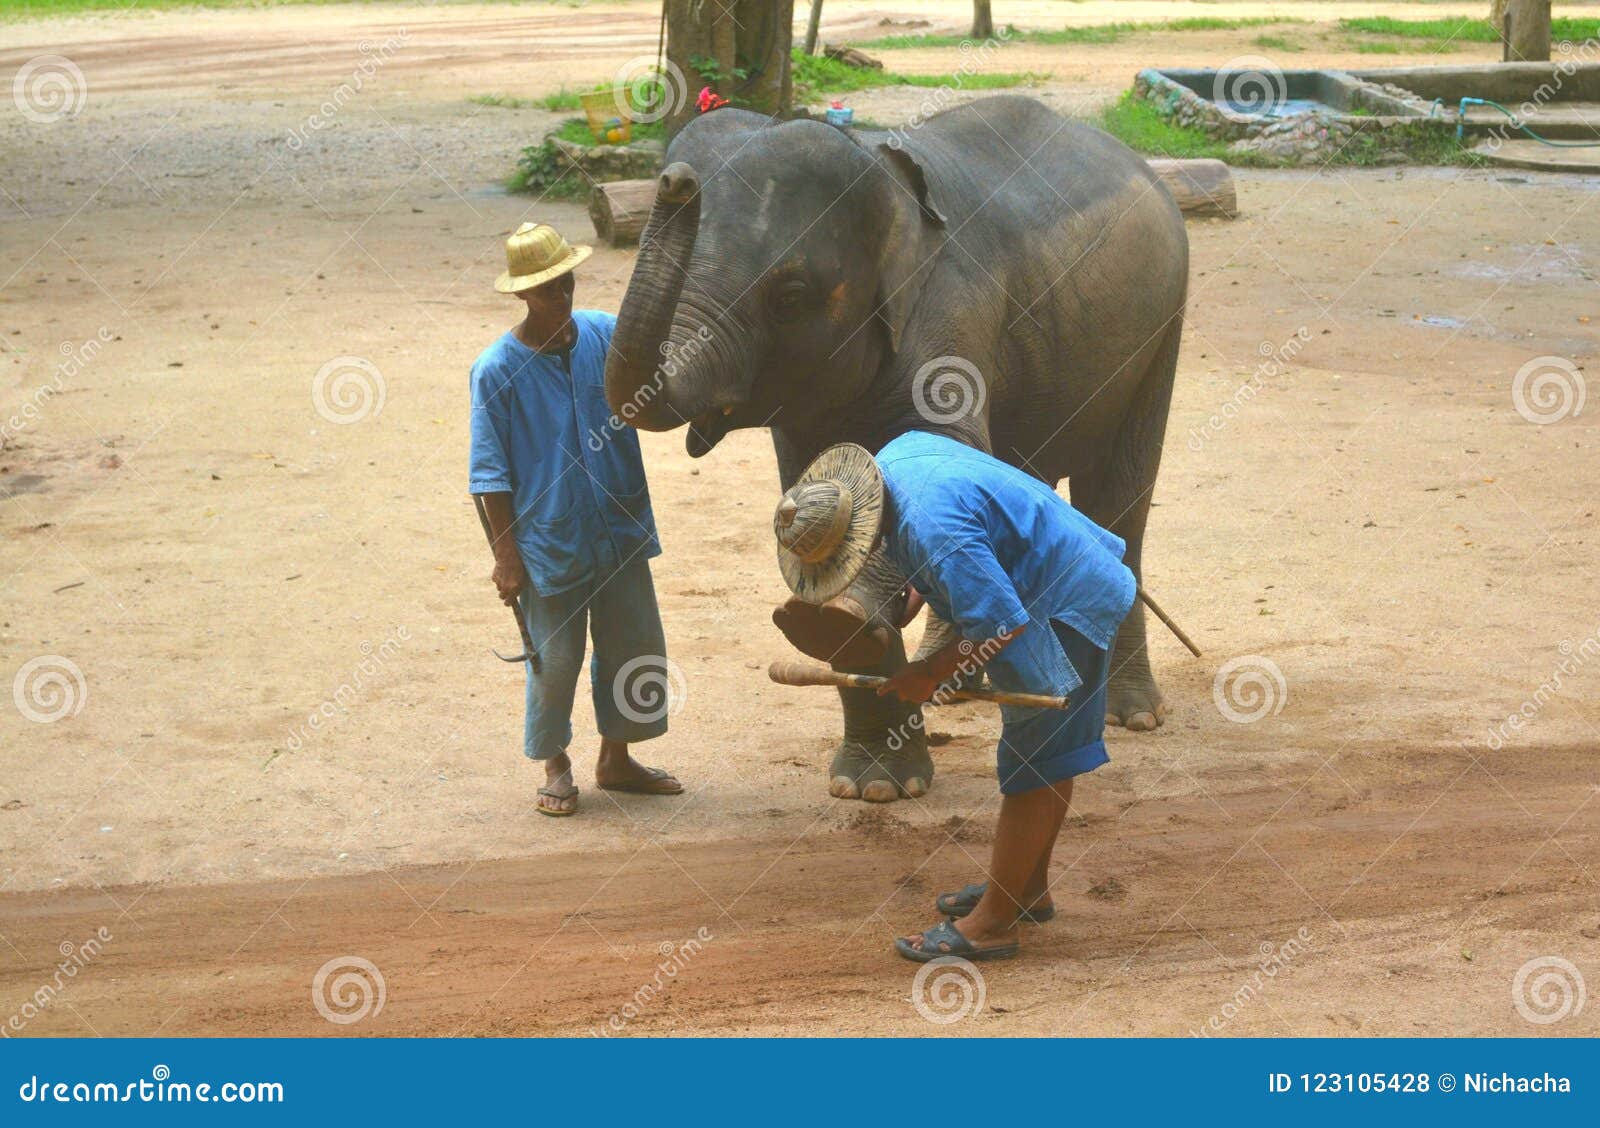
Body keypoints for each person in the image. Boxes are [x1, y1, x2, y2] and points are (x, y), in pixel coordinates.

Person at [772, 433, 1135, 961]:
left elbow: (1001, 621)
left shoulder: (936, 534)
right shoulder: (896, 458)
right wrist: (924, 585)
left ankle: (993, 925)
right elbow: (966, 528)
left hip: (1061, 605)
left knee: (1035, 763)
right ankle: (1023, 892)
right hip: (1043, 568)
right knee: (1040, 759)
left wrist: (930, 672)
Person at [470, 222, 683, 817]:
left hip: (619, 525)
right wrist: (507, 557)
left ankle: (616, 758)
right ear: (521, 294)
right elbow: (489, 475)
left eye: (566, 284)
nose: (561, 298)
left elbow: (655, 377)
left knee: (633, 647)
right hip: (549, 541)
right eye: (547, 291)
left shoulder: (604, 334)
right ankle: (555, 763)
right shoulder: (495, 371)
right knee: (555, 660)